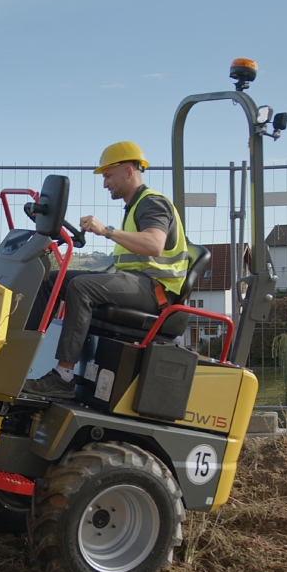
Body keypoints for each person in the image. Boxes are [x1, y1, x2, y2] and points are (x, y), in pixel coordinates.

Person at [22, 141, 191, 399]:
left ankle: (63, 376)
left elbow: (154, 245)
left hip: (155, 290)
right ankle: (20, 354)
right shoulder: (135, 206)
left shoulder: (152, 203)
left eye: (108, 176)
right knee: (53, 281)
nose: (105, 183)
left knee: (82, 287)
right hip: (134, 282)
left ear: (128, 171)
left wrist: (106, 231)